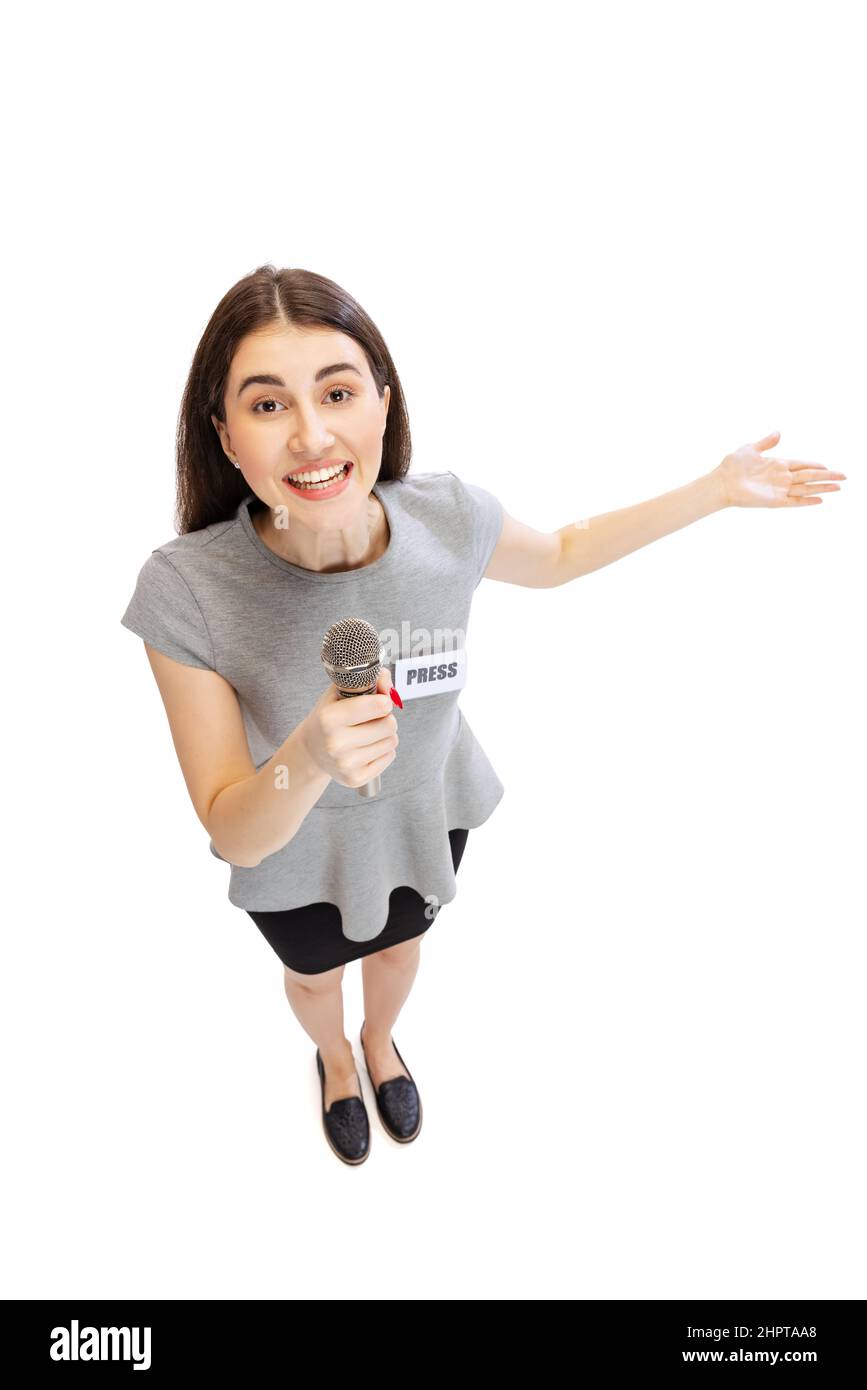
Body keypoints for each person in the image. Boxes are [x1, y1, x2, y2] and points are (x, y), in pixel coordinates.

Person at [120, 264, 847, 1165]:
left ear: (382, 405)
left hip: (428, 812)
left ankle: (381, 1043)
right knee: (313, 977)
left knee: (397, 954)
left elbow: (567, 552)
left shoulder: (449, 518)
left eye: (337, 392)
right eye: (268, 407)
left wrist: (715, 488)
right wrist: (307, 755)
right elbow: (235, 833)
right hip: (295, 850)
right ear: (226, 436)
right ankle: (335, 1060)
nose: (311, 436)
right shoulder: (186, 589)